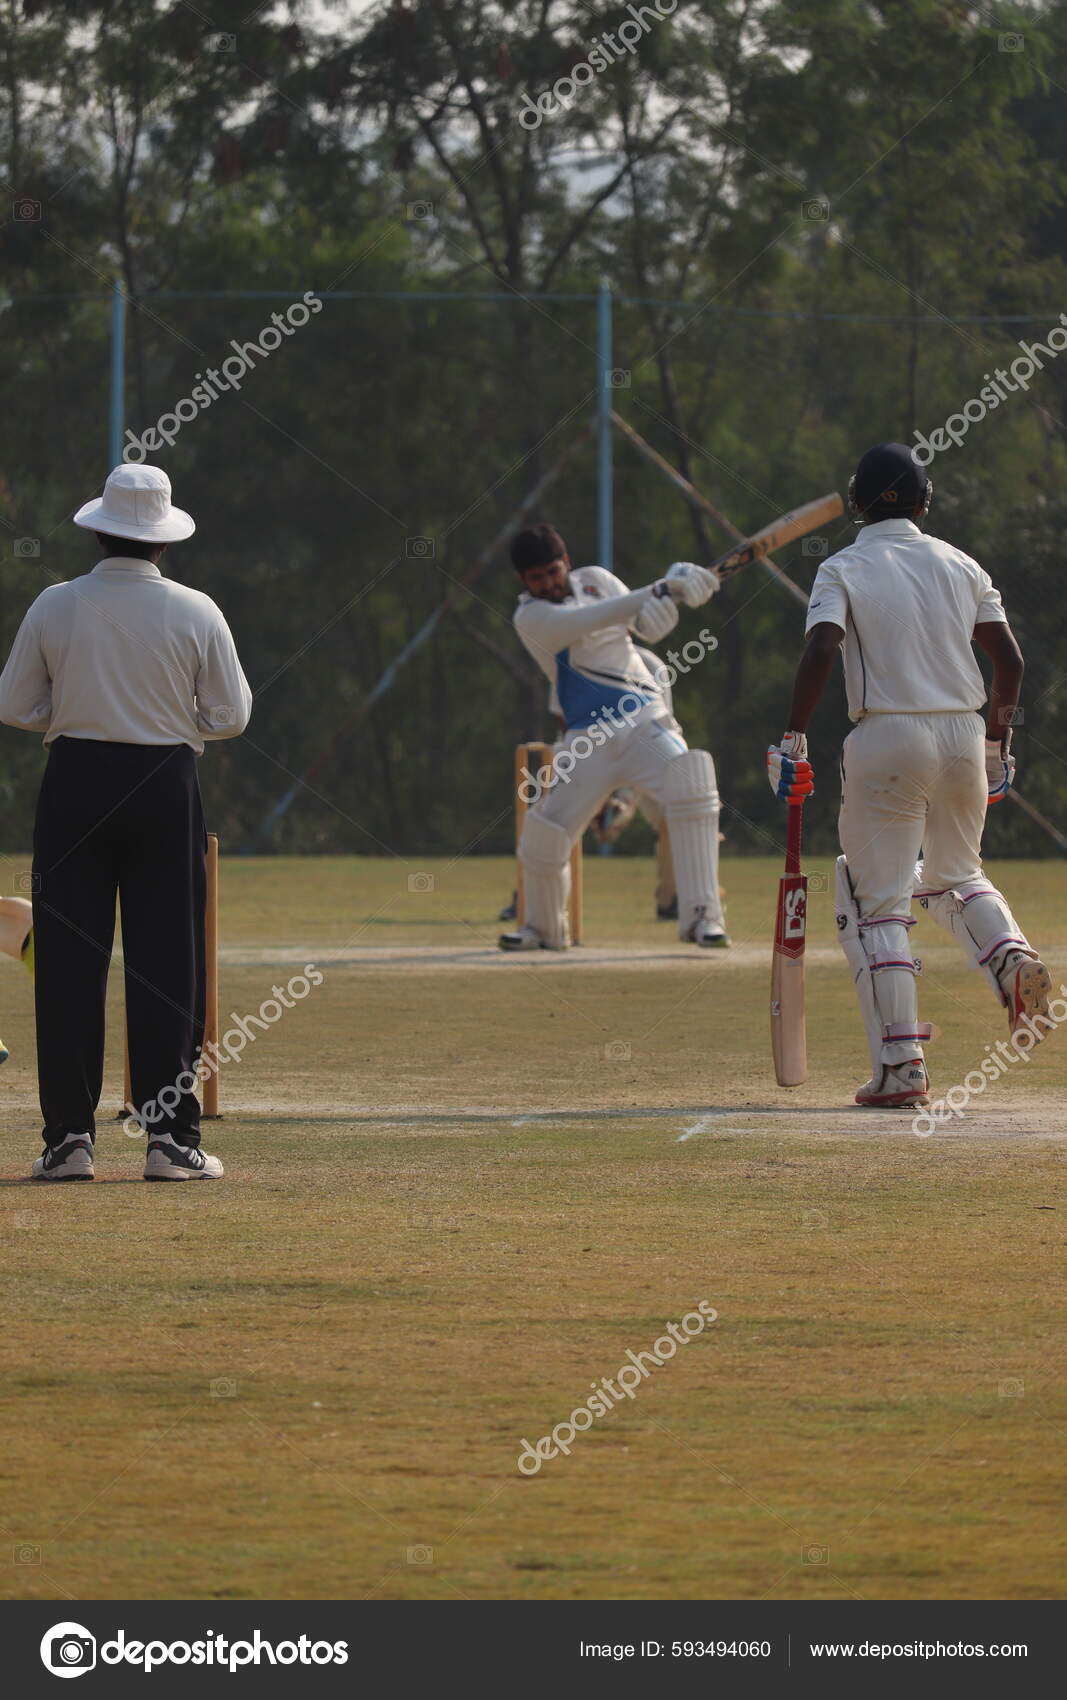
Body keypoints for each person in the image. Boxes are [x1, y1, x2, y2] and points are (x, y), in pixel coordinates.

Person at [767, 442, 1049, 1109]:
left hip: (887, 734)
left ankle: (901, 1067)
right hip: (961, 731)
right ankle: (1009, 956)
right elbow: (1008, 662)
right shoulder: (961, 564)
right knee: (955, 875)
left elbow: (819, 649)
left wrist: (793, 736)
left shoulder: (842, 566)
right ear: (925, 503)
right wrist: (994, 743)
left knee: (872, 902)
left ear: (857, 503)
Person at [0, 463, 251, 1179]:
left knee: (69, 963)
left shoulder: (55, 603)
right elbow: (230, 716)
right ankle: (171, 1141)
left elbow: (14, 704)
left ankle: (68, 1142)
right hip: (164, 784)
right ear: (164, 542)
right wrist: (173, 718)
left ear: (99, 531)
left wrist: (76, 712)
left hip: (75, 782)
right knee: (168, 964)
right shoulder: (198, 609)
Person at [500, 522, 728, 950]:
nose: (548, 583)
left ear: (566, 562)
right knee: (546, 829)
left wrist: (671, 598)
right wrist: (661, 586)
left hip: (643, 719)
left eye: (553, 571)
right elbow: (590, 619)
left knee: (692, 781)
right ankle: (542, 928)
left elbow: (645, 624)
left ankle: (703, 919)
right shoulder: (530, 617)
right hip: (587, 739)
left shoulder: (598, 580)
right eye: (537, 578)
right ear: (523, 581)